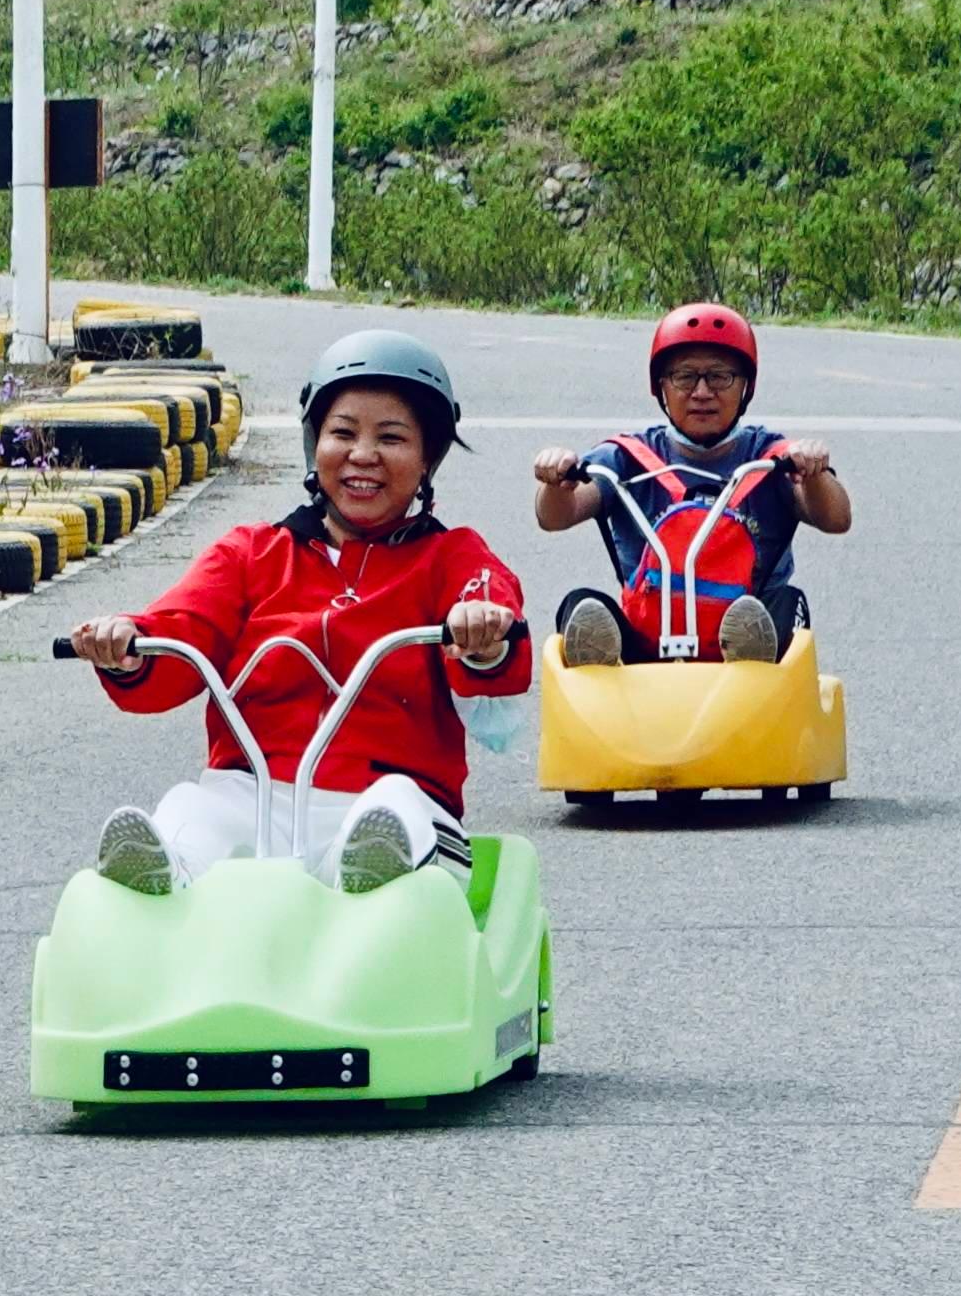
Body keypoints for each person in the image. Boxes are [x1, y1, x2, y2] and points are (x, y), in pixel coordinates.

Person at [71, 329, 531, 896]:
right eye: (343, 433)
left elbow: (492, 619)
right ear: (315, 443)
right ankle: (167, 880)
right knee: (193, 807)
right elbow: (179, 628)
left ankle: (377, 885)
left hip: (388, 793)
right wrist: (127, 643)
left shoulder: (451, 557)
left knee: (396, 812)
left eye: (391, 437)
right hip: (256, 794)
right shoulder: (252, 553)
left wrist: (482, 633)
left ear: (426, 460)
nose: (363, 455)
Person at [530, 302, 850, 665]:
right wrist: (556, 480)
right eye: (684, 377)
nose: (701, 392)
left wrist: (814, 472)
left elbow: (836, 519)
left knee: (786, 602)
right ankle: (605, 676)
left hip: (750, 645)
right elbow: (555, 517)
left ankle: (747, 656)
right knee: (580, 605)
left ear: (745, 387)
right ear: (661, 387)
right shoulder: (627, 456)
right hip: (647, 644)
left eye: (719, 377)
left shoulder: (771, 458)